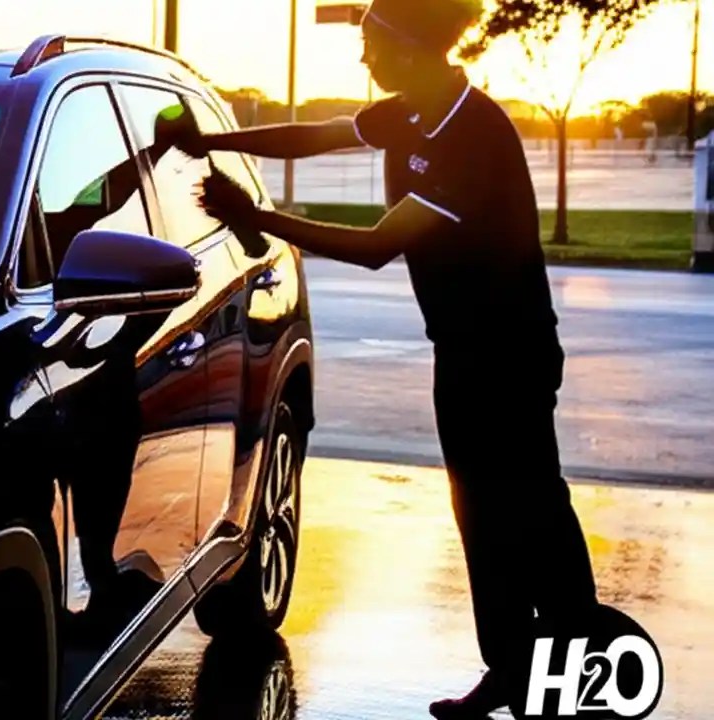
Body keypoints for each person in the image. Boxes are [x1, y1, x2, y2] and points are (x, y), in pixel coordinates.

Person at [183, 0, 600, 717]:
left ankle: (581, 667)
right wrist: (212, 138)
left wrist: (255, 219)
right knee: (478, 515)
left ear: (407, 44)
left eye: (372, 40)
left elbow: (378, 245)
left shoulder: (469, 134)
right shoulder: (410, 110)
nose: (363, 56)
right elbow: (314, 136)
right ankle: (509, 665)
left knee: (528, 511)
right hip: (460, 353)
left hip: (511, 356)